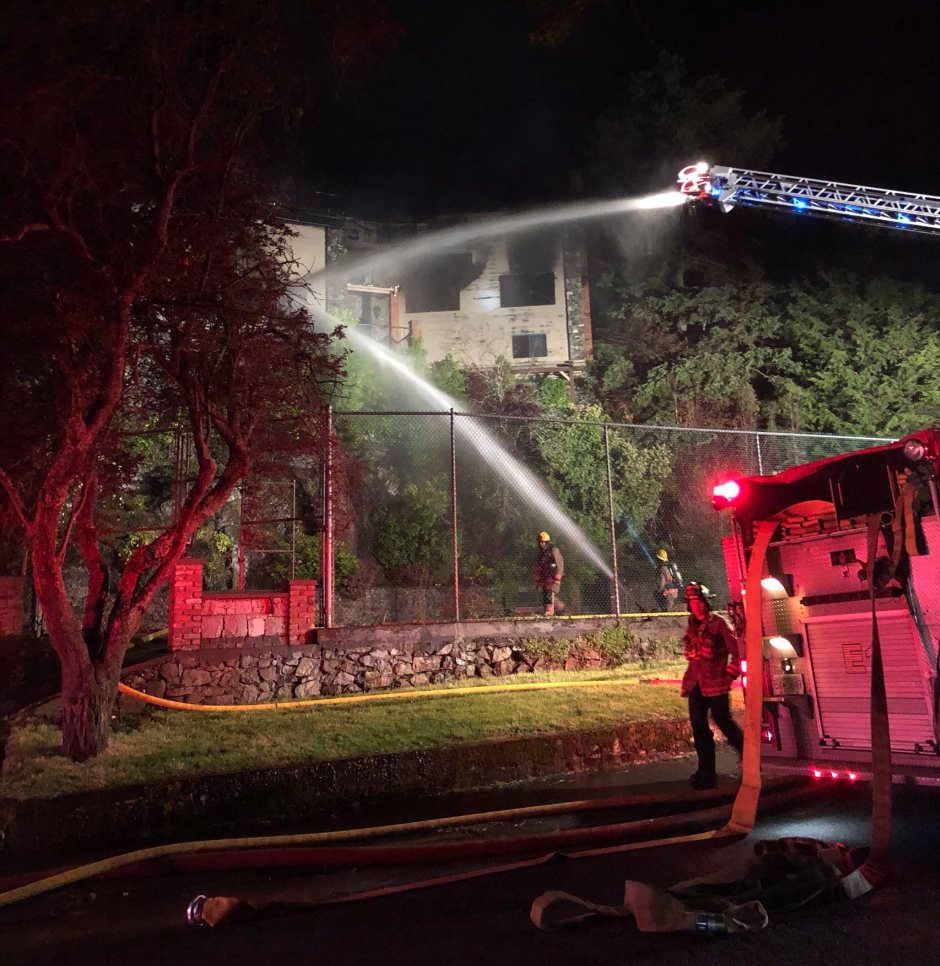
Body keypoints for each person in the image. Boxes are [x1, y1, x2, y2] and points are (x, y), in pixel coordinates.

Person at [681, 582, 744, 790]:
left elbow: (737, 653)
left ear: (705, 602)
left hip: (717, 682)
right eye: (692, 602)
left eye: (699, 601)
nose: (696, 606)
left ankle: (749, 759)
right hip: (697, 682)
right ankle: (706, 771)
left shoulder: (718, 624)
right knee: (698, 726)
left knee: (723, 721)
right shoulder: (692, 625)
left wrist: (729, 675)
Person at [534, 531, 565, 616]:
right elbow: (539, 568)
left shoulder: (553, 551)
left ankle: (549, 612)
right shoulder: (541, 555)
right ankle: (561, 609)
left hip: (552, 578)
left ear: (547, 542)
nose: (540, 544)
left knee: (549, 595)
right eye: (539, 542)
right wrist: (538, 579)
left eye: (542, 542)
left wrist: (558, 577)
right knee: (546, 595)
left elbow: (559, 564)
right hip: (545, 579)